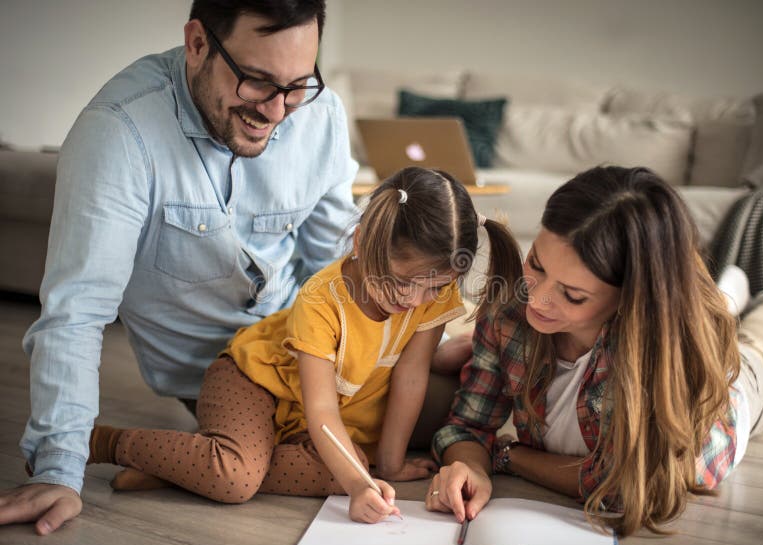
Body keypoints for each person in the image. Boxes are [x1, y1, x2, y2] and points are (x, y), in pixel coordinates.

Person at [0, 0, 360, 535]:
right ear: (197, 44)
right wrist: (59, 467)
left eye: (296, 85)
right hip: (219, 375)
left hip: (302, 348)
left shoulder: (319, 113)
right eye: (257, 82)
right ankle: (171, 455)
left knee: (432, 409)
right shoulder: (119, 134)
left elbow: (333, 264)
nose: (278, 111)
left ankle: (178, 467)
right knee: (340, 457)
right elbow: (76, 313)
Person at [83, 166, 522, 523]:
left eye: (432, 288)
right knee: (261, 479)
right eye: (403, 282)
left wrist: (387, 465)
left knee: (352, 470)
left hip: (333, 412)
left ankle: (192, 468)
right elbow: (322, 411)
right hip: (255, 384)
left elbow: (410, 377)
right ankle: (108, 442)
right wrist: (357, 484)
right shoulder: (320, 299)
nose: (412, 300)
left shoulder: (434, 294)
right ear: (362, 242)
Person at [424, 166, 763, 537]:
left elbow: (629, 487)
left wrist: (508, 456)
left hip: (740, 394)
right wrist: (470, 466)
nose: (535, 298)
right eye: (536, 263)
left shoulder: (661, 356)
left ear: (630, 297)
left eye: (572, 294)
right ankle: (731, 294)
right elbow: (468, 426)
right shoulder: (510, 313)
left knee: (756, 351)